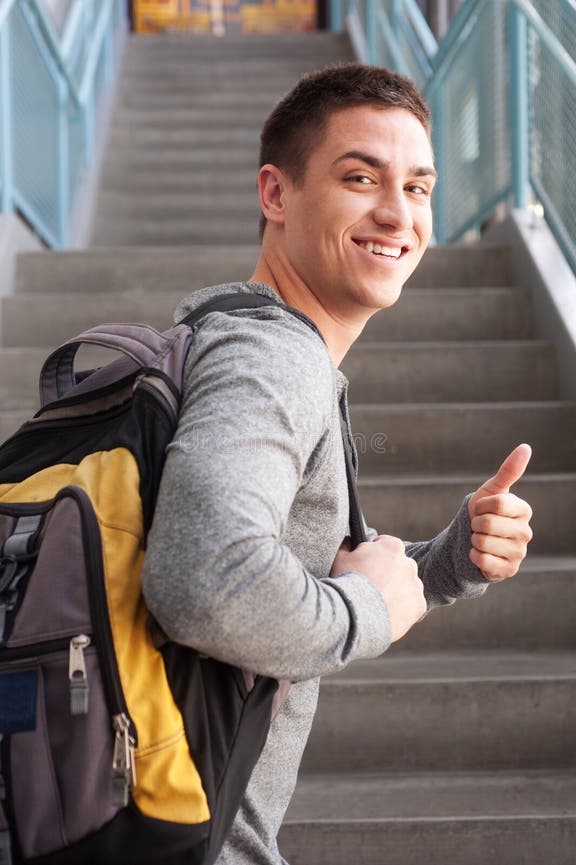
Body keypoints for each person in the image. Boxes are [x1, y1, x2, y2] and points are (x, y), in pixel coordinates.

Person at [142, 63, 533, 864]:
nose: (399, 213)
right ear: (276, 194)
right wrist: (368, 611)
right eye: (361, 177)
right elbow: (204, 578)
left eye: (420, 188)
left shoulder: (228, 335)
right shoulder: (273, 358)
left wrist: (443, 562)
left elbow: (279, 566)